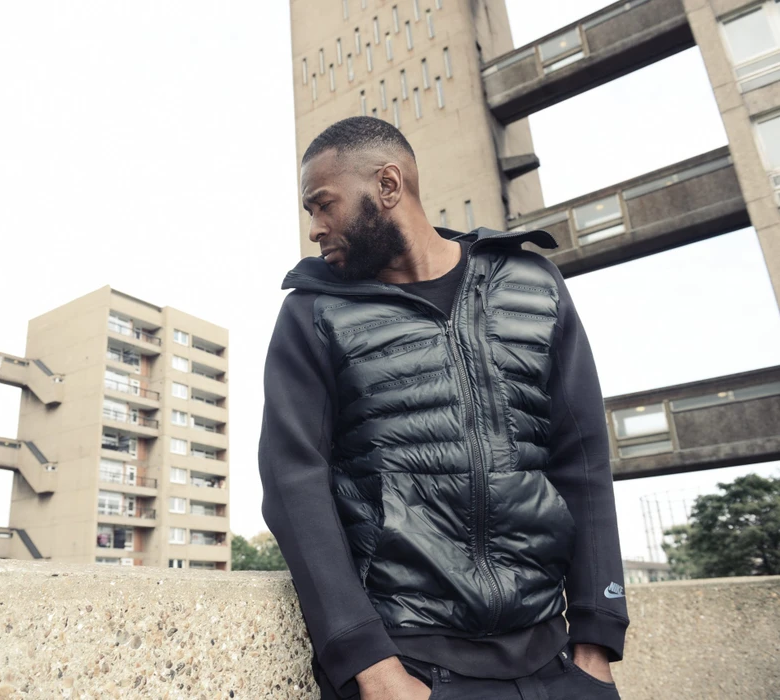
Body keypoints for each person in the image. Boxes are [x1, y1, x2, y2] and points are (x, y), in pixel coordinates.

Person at [258, 117, 628, 700]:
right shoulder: (313, 312)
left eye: (323, 205)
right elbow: (292, 484)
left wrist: (596, 642)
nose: (315, 229)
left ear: (387, 185)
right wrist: (370, 664)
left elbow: (582, 460)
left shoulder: (532, 282)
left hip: (557, 662)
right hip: (411, 667)